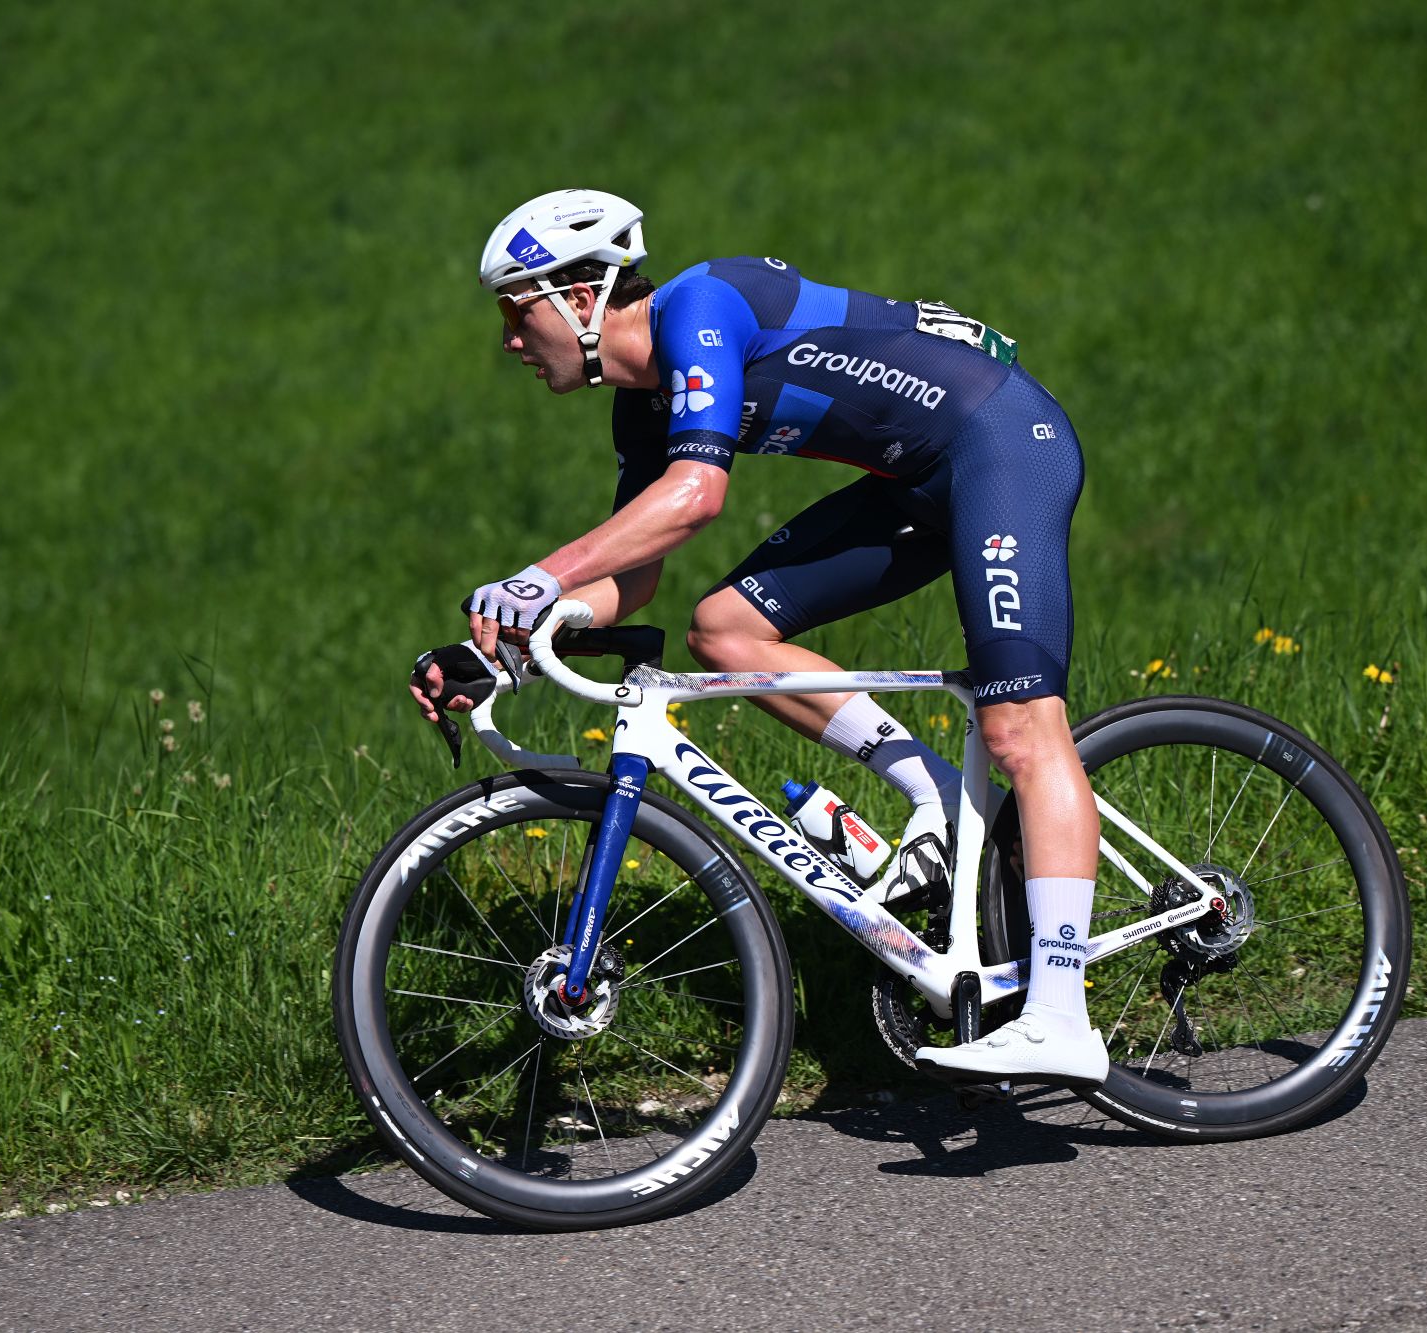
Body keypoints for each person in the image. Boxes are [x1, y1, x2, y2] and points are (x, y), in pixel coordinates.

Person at [411, 188, 1107, 1085]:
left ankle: (1062, 1013)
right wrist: (507, 647)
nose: (509, 339)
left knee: (1019, 727)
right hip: (915, 483)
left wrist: (537, 577)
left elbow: (697, 496)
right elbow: (637, 576)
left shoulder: (698, 307)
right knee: (724, 629)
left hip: (1003, 442)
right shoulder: (640, 408)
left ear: (580, 299)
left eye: (517, 311)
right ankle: (934, 790)